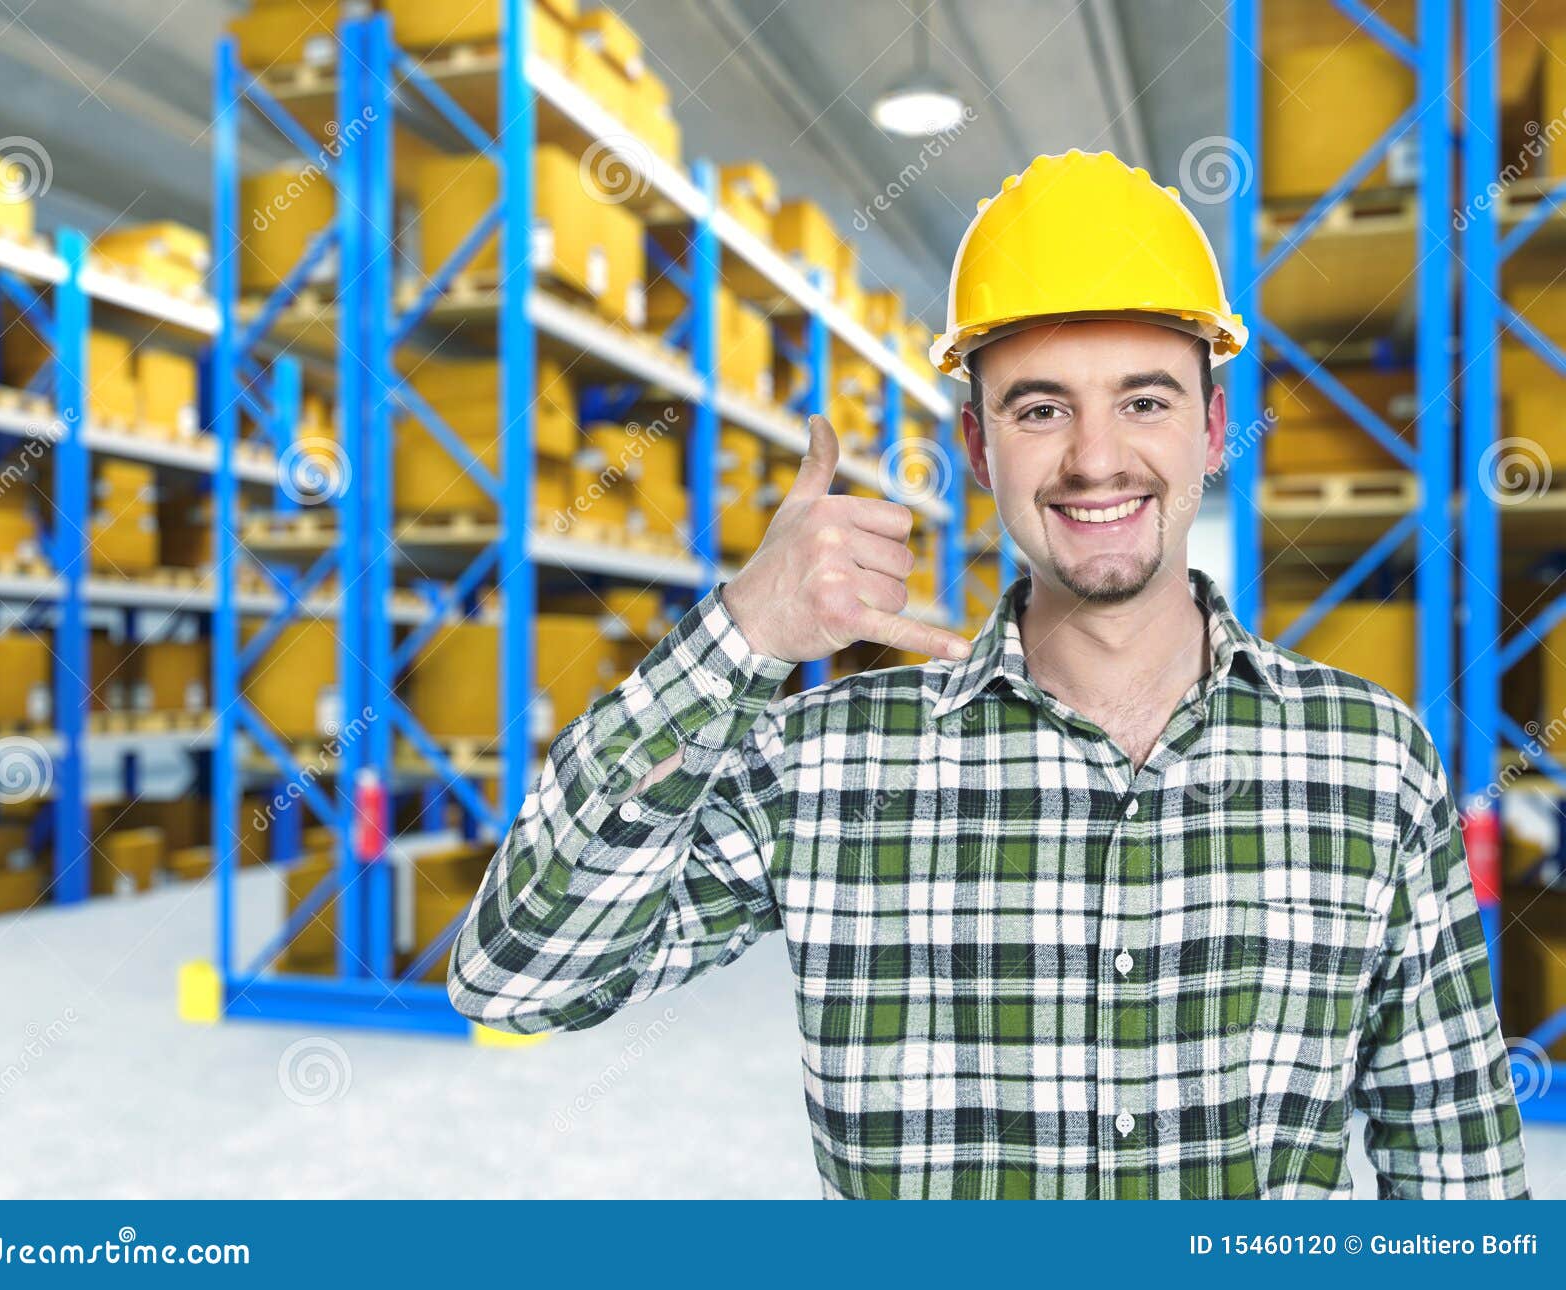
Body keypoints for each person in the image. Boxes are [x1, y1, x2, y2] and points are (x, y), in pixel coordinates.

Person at [448, 149, 1530, 1200]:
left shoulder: (1368, 761)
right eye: (1040, 407)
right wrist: (741, 634)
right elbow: (517, 977)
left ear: (1211, 430)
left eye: (1144, 401)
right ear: (977, 446)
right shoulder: (831, 762)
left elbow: (1454, 1164)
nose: (1095, 458)